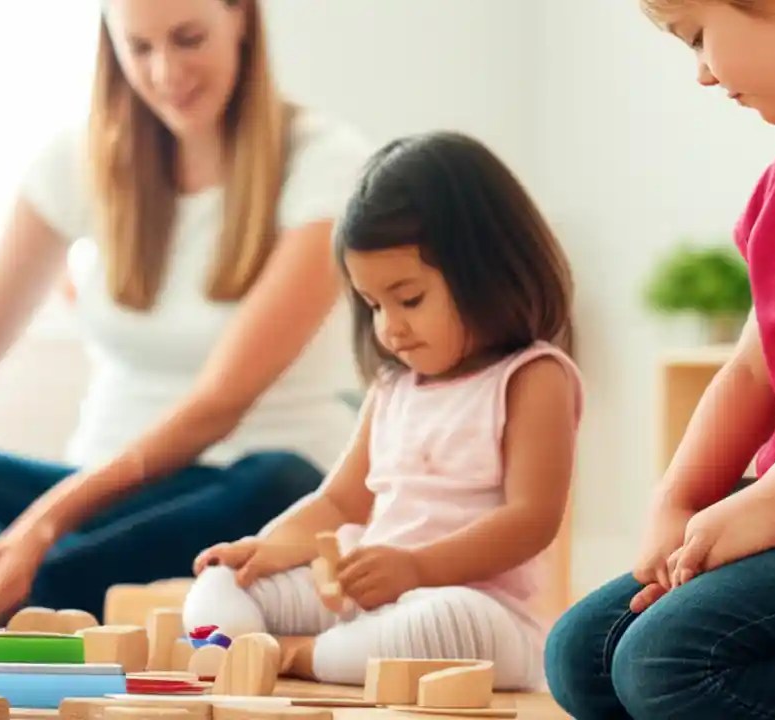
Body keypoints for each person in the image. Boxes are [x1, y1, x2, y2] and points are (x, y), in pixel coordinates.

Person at [0, 0, 371, 620]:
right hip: (93, 497)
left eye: (189, 39)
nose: (167, 72)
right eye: (140, 48)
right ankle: (42, 587)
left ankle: (24, 583)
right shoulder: (80, 158)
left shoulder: (325, 163)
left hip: (235, 492)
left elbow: (217, 404)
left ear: (241, 19)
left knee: (283, 481)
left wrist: (45, 523)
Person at [181, 132, 581, 688]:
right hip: (367, 597)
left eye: (409, 298)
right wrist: (268, 549)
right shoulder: (394, 387)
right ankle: (248, 652)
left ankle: (294, 656)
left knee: (444, 625)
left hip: (476, 609)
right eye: (373, 305)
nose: (390, 326)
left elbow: (531, 521)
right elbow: (340, 500)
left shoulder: (532, 378)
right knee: (224, 582)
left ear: (487, 273)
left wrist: (418, 570)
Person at [545, 1, 775, 717]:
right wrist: (677, 500)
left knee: (667, 661)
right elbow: (752, 371)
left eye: (698, 37)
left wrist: (769, 504)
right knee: (586, 656)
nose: (700, 73)